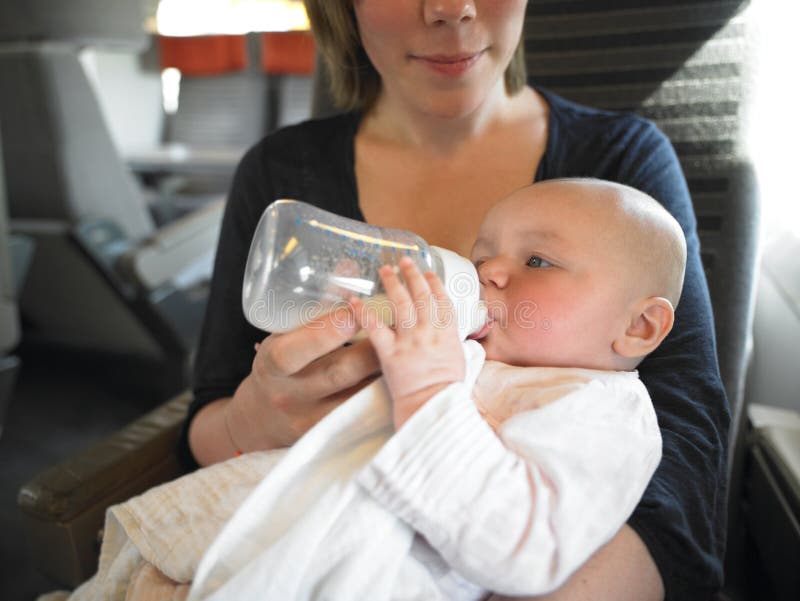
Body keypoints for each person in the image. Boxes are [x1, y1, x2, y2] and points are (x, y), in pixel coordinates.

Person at [182, 2, 729, 600]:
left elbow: (684, 437)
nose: (451, 8)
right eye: (480, 251)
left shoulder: (622, 173)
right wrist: (253, 419)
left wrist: (426, 396)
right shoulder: (279, 168)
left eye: (538, 261)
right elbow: (209, 419)